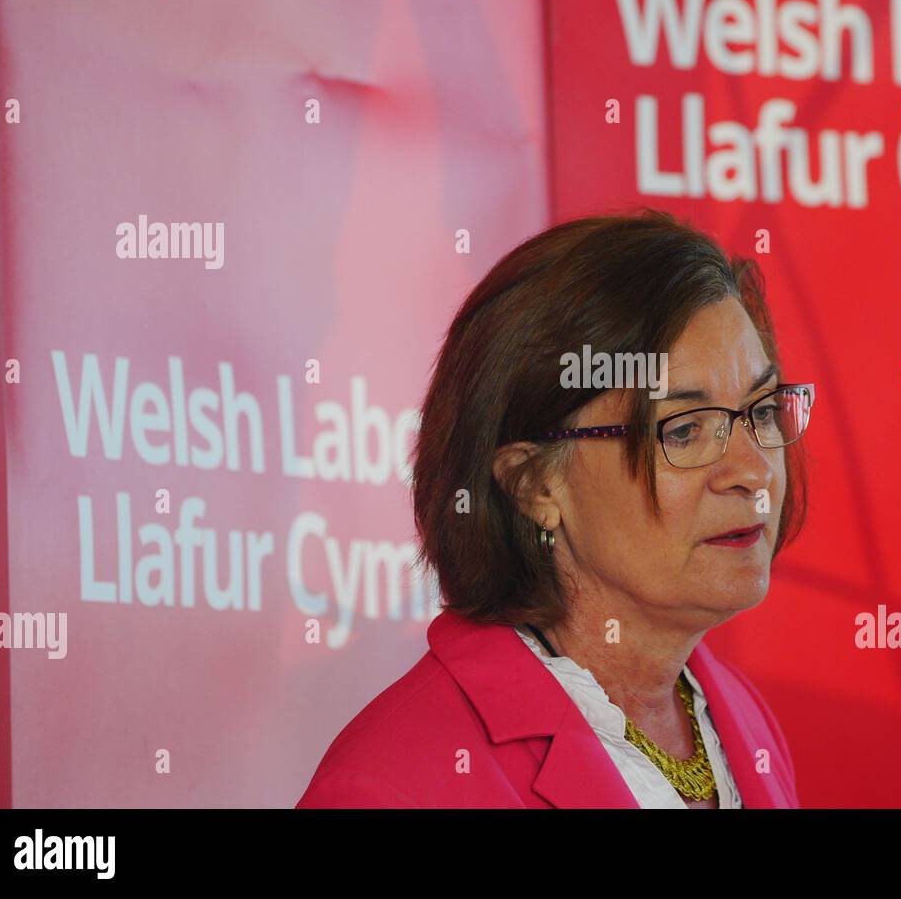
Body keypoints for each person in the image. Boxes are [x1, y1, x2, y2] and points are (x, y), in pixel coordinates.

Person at [297, 208, 813, 808]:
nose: (752, 471)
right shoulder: (396, 786)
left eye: (762, 411)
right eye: (683, 431)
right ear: (533, 483)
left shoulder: (744, 722)